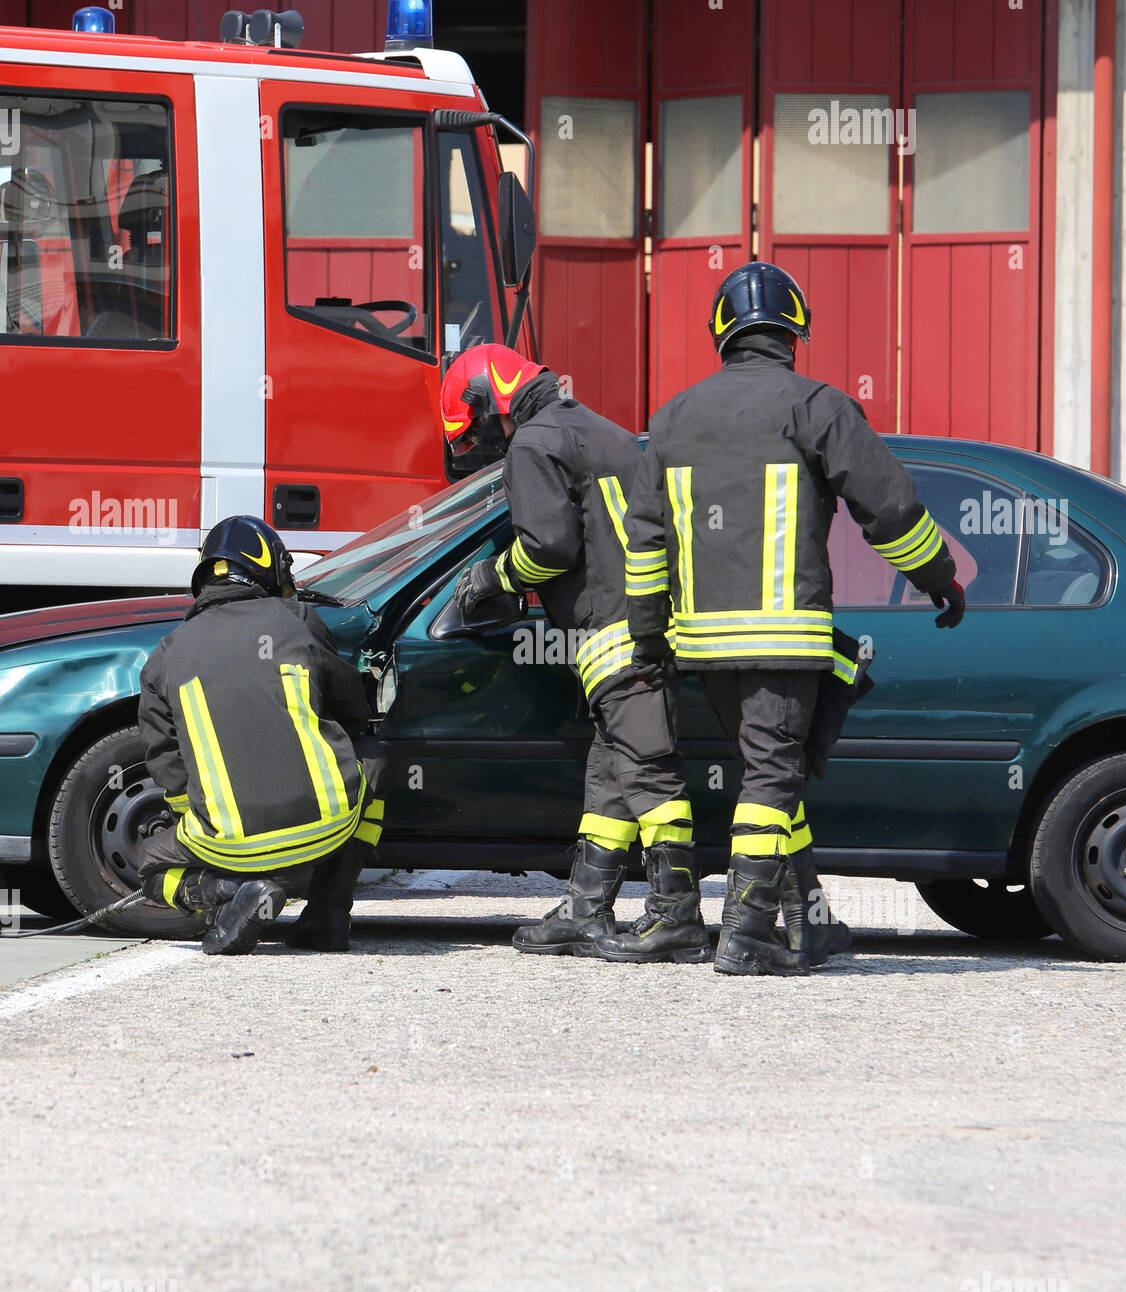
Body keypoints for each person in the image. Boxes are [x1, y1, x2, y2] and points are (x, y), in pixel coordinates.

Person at [622, 262, 964, 977]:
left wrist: (649, 632)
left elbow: (645, 538)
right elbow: (888, 508)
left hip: (702, 646)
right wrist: (937, 576)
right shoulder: (817, 405)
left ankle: (807, 924)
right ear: (792, 330)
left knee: (763, 775)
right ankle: (745, 934)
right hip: (783, 640)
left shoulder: (671, 418)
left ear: (722, 332)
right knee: (773, 779)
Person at [441, 345, 711, 963]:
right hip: (640, 626)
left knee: (646, 768)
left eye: (477, 426)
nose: (482, 440)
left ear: (490, 402)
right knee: (611, 772)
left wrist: (494, 579)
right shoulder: (601, 429)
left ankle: (678, 915)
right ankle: (585, 908)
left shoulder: (534, 445)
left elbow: (549, 548)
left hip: (616, 633)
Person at [137, 516, 383, 955]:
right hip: (328, 828)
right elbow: (353, 713)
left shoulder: (166, 656)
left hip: (228, 845)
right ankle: (329, 913)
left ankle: (226, 892)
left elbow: (167, 766)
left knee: (150, 864)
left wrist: (188, 818)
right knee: (374, 759)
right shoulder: (299, 619)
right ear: (269, 568)